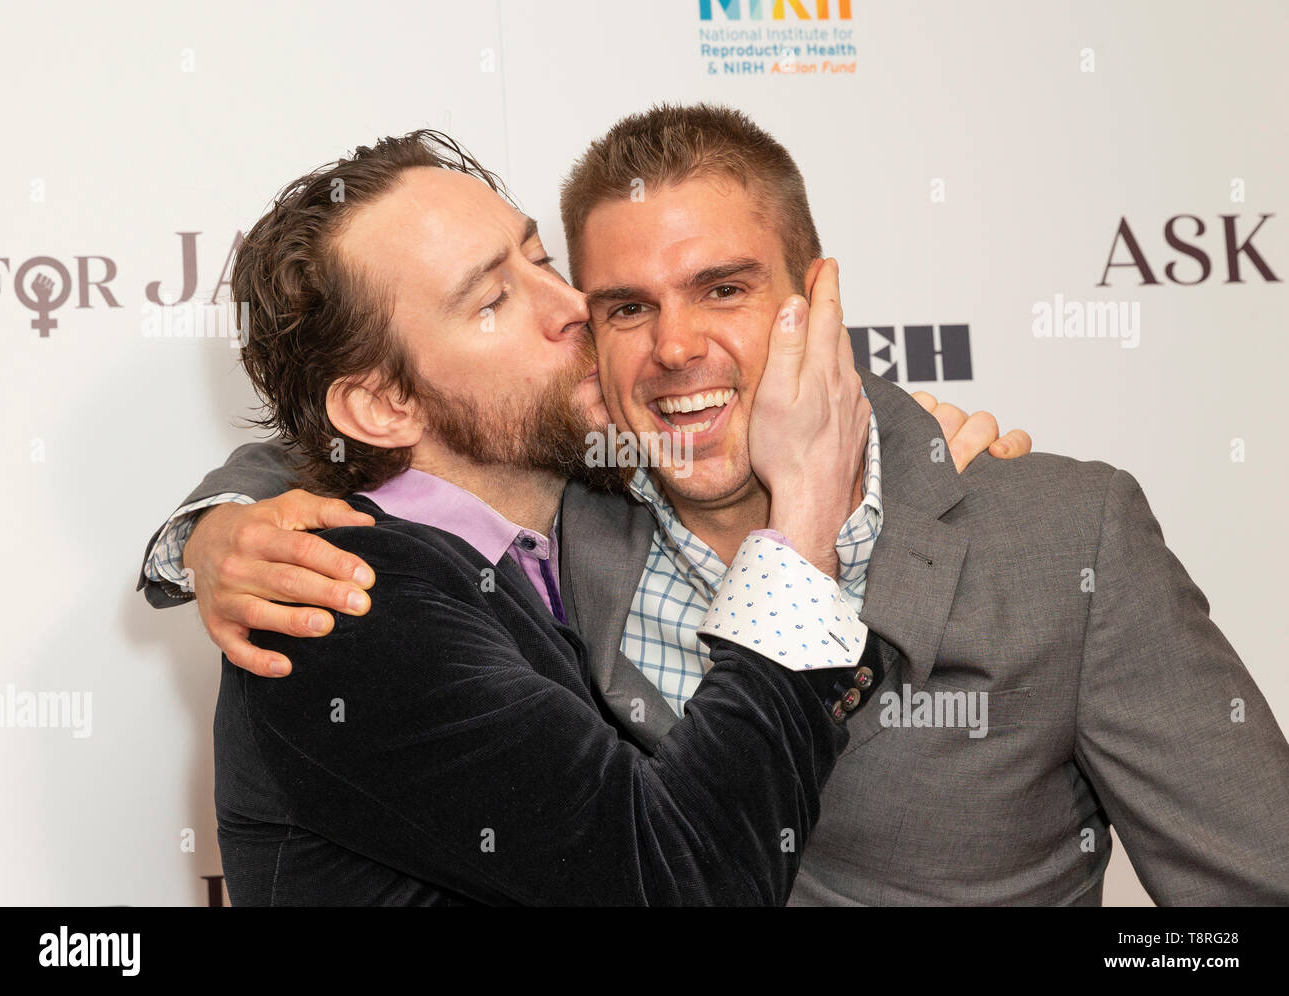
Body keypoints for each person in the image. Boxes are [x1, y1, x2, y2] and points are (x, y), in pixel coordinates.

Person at [155, 104, 1289, 905]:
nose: (604, 323)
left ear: (817, 296)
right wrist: (204, 537)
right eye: (620, 304)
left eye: (725, 289)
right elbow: (671, 873)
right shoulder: (419, 568)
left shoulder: (1056, 535)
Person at [166, 127, 938, 906]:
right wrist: (804, 522)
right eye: (493, 300)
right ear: (383, 405)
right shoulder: (345, 607)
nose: (578, 308)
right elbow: (686, 885)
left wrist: (911, 449)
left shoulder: (567, 525)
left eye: (540, 261)